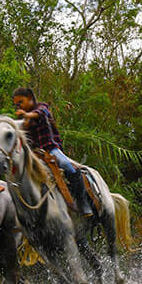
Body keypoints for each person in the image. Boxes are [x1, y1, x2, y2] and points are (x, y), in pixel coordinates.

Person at [12, 87, 93, 215]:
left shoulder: (42, 107)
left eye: (21, 102)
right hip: (34, 154)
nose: (19, 106)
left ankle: (83, 202)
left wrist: (27, 115)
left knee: (67, 166)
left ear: (30, 98)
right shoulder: (23, 119)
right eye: (17, 104)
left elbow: (40, 113)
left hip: (50, 149)